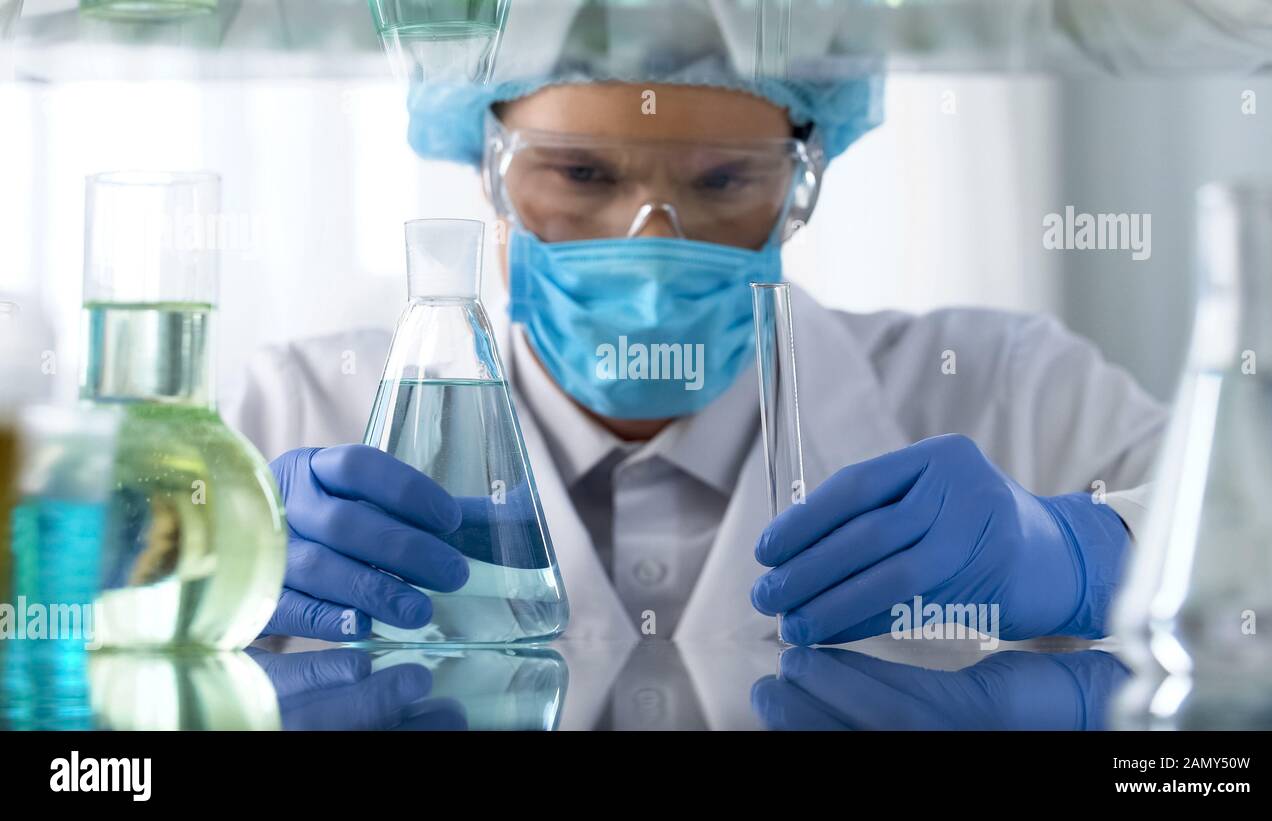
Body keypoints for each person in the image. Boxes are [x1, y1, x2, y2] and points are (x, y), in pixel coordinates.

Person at [237, 70, 1166, 647]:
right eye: (581, 174)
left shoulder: (1010, 386)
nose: (647, 241)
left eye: (724, 179)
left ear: (804, 179)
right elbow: (103, 615)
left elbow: (1266, 549)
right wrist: (201, 571)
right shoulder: (297, 405)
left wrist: (1084, 555)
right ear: (489, 171)